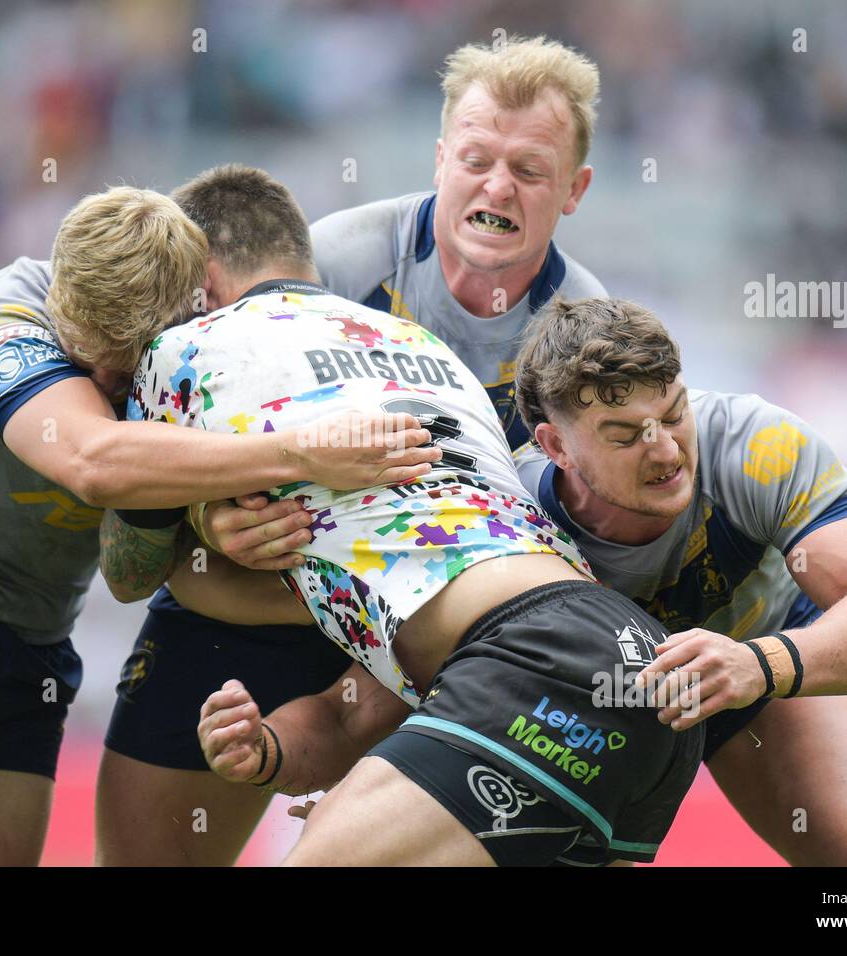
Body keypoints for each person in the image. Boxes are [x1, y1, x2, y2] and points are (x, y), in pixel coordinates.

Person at [0, 186, 437, 866]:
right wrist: (305, 450)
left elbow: (131, 572)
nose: (105, 381)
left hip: (28, 643)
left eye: (127, 365)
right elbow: (95, 461)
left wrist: (211, 529)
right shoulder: (1, 315)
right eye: (85, 356)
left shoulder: (200, 353)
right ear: (61, 299)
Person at [97, 33, 607, 866]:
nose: (497, 186)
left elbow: (561, 533)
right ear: (441, 156)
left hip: (437, 628)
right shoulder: (333, 261)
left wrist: (380, 743)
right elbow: (178, 456)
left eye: (530, 169)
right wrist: (208, 516)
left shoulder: (581, 336)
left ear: (576, 190)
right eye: (477, 158)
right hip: (273, 585)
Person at [201, 296, 847, 866]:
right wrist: (266, 748)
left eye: (672, 413)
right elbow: (357, 712)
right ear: (553, 446)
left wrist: (759, 664)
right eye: (622, 435)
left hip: (763, 652)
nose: (664, 451)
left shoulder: (757, 443)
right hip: (614, 705)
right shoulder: (502, 513)